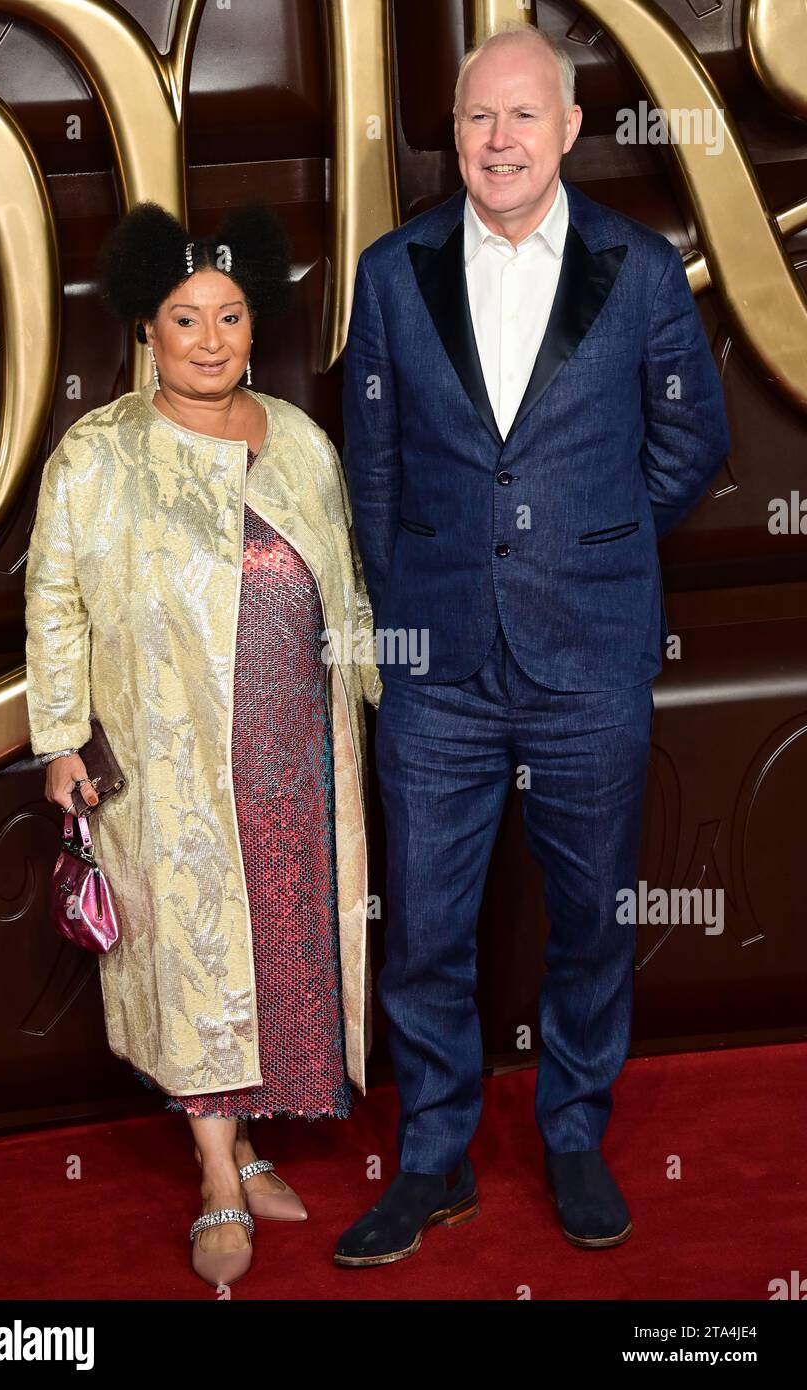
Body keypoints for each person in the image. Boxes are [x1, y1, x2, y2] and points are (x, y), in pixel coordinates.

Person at [336, 23, 729, 1265]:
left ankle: (572, 1134)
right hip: (439, 667)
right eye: (475, 119)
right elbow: (374, 471)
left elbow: (691, 446)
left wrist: (592, 541)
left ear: (567, 130)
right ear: (451, 136)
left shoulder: (642, 269)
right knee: (429, 929)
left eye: (522, 116)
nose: (497, 139)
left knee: (591, 917)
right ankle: (435, 1158)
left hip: (591, 656)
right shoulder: (394, 272)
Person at [24, 201, 381, 1288]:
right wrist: (58, 737)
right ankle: (218, 1171)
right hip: (172, 765)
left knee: (275, 951)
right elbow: (55, 600)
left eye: (230, 316)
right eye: (187, 320)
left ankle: (254, 1135)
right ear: (147, 330)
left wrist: (369, 706)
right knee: (189, 961)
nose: (213, 339)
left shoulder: (301, 438)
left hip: (296, 760)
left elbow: (347, 583)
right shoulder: (99, 454)